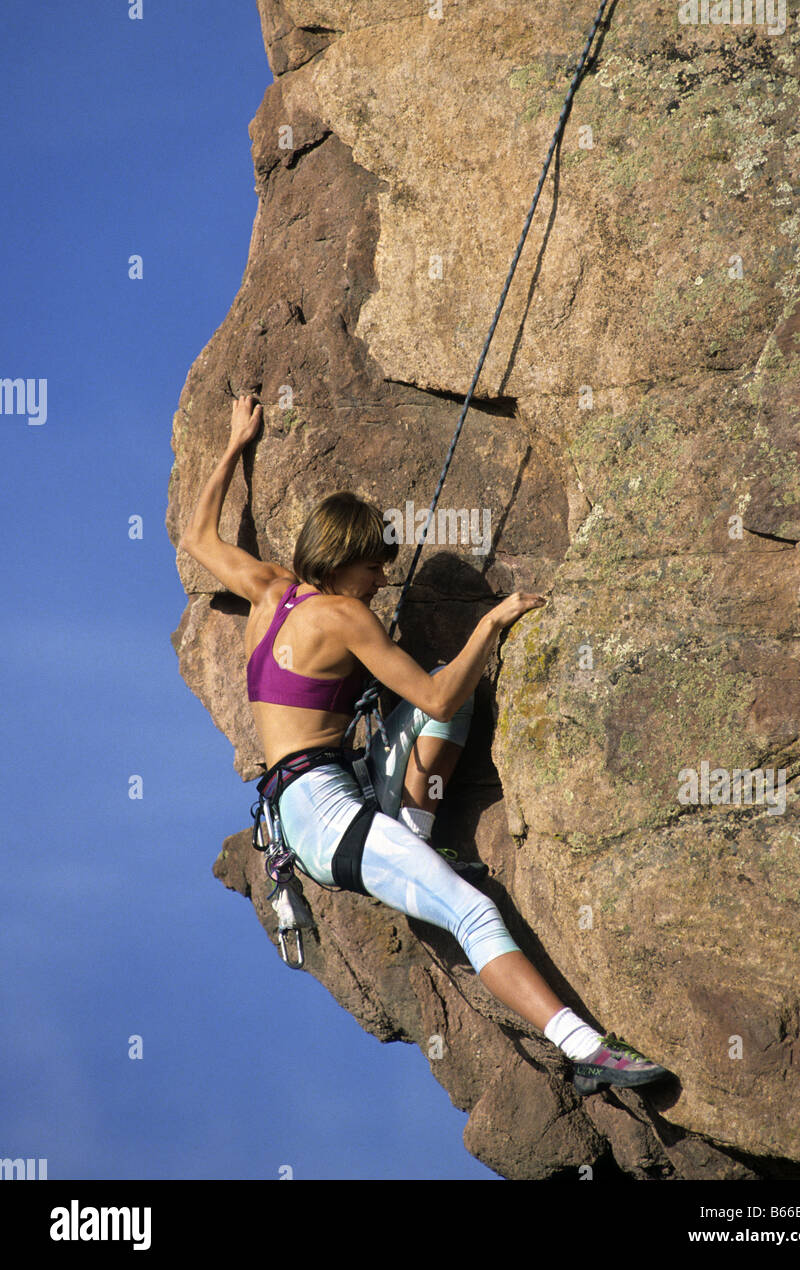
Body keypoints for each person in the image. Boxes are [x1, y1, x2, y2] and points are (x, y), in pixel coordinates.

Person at [179, 393, 670, 1094]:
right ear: (345, 560)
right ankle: (585, 1051)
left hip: (313, 800)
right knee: (472, 908)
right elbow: (436, 702)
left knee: (439, 685)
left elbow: (198, 538)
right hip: (322, 814)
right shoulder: (344, 616)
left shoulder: (268, 591)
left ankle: (412, 828)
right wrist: (492, 624)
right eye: (374, 567)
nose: (381, 580)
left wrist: (236, 444)